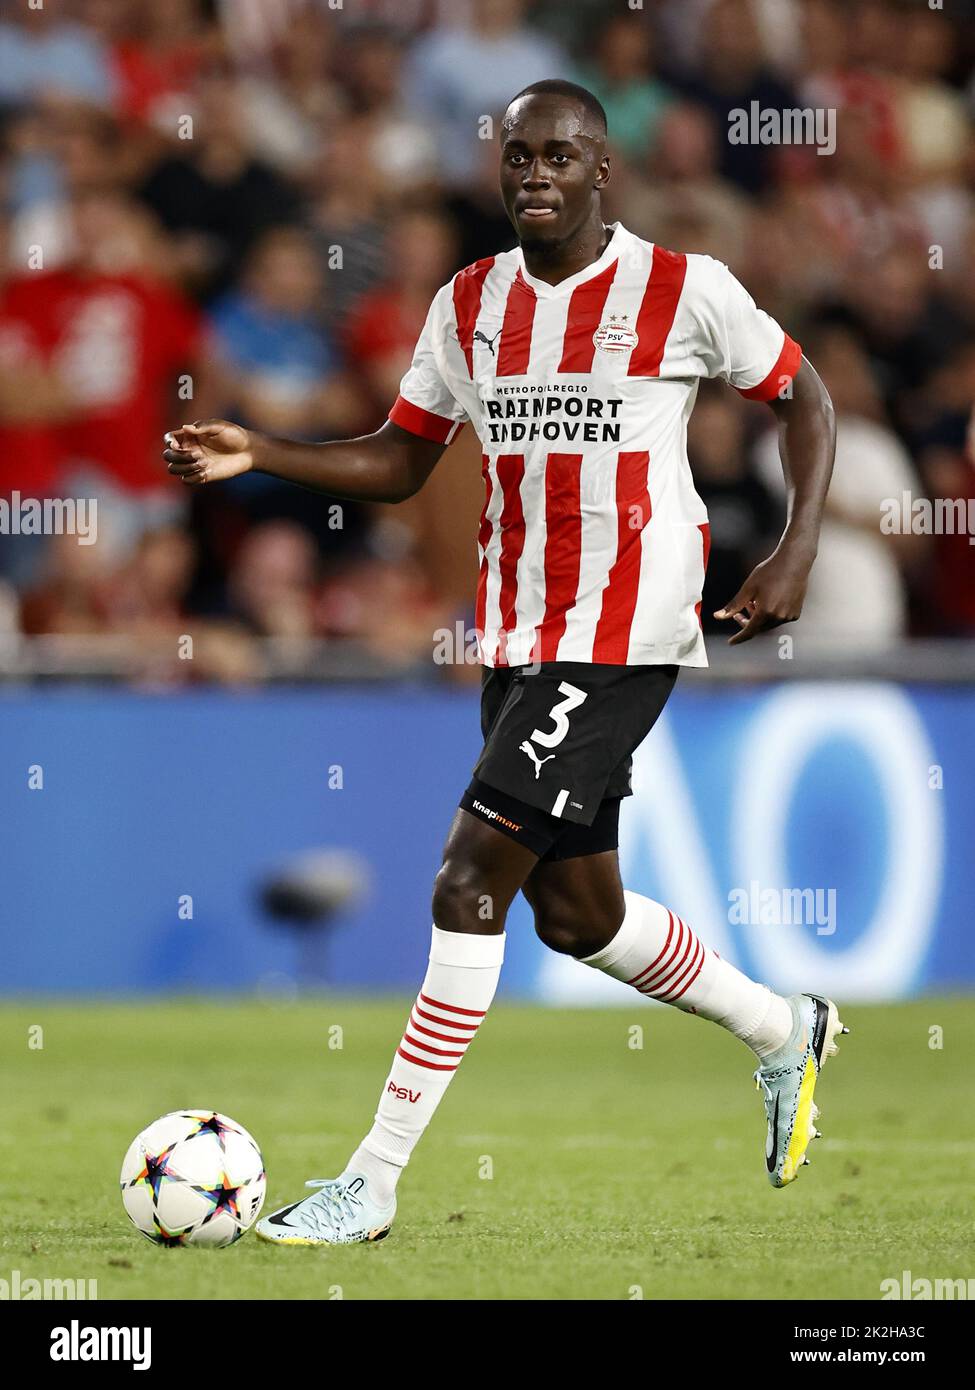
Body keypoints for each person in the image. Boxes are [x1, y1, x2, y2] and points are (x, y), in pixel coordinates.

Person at [163, 80, 845, 1248]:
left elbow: (806, 399)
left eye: (560, 156)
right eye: (517, 156)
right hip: (518, 634)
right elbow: (399, 460)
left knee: (465, 879)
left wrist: (790, 553)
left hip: (626, 631)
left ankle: (368, 1185)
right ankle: (785, 1028)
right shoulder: (469, 304)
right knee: (578, 917)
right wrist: (259, 450)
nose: (534, 173)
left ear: (602, 172)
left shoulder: (684, 289)